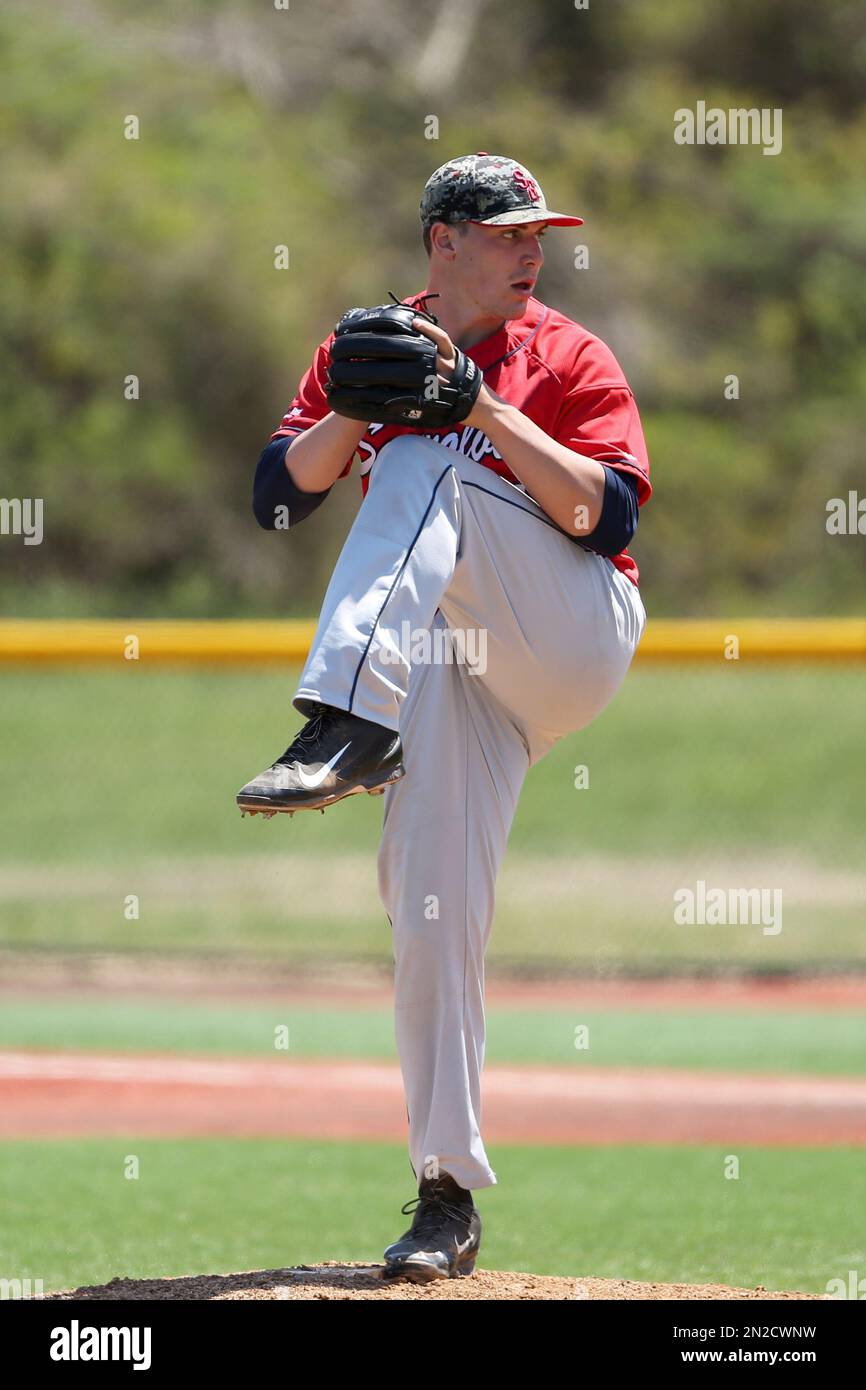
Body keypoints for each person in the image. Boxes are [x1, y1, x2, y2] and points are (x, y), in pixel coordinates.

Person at [238, 153, 651, 1283]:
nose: (532, 249)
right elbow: (281, 495)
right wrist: (344, 412)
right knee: (426, 905)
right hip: (447, 662)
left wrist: (482, 411)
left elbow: (603, 510)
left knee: (431, 452)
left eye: (537, 232)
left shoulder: (567, 352)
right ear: (443, 241)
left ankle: (341, 719)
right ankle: (444, 1192)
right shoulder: (367, 339)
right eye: (507, 230)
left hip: (567, 630)